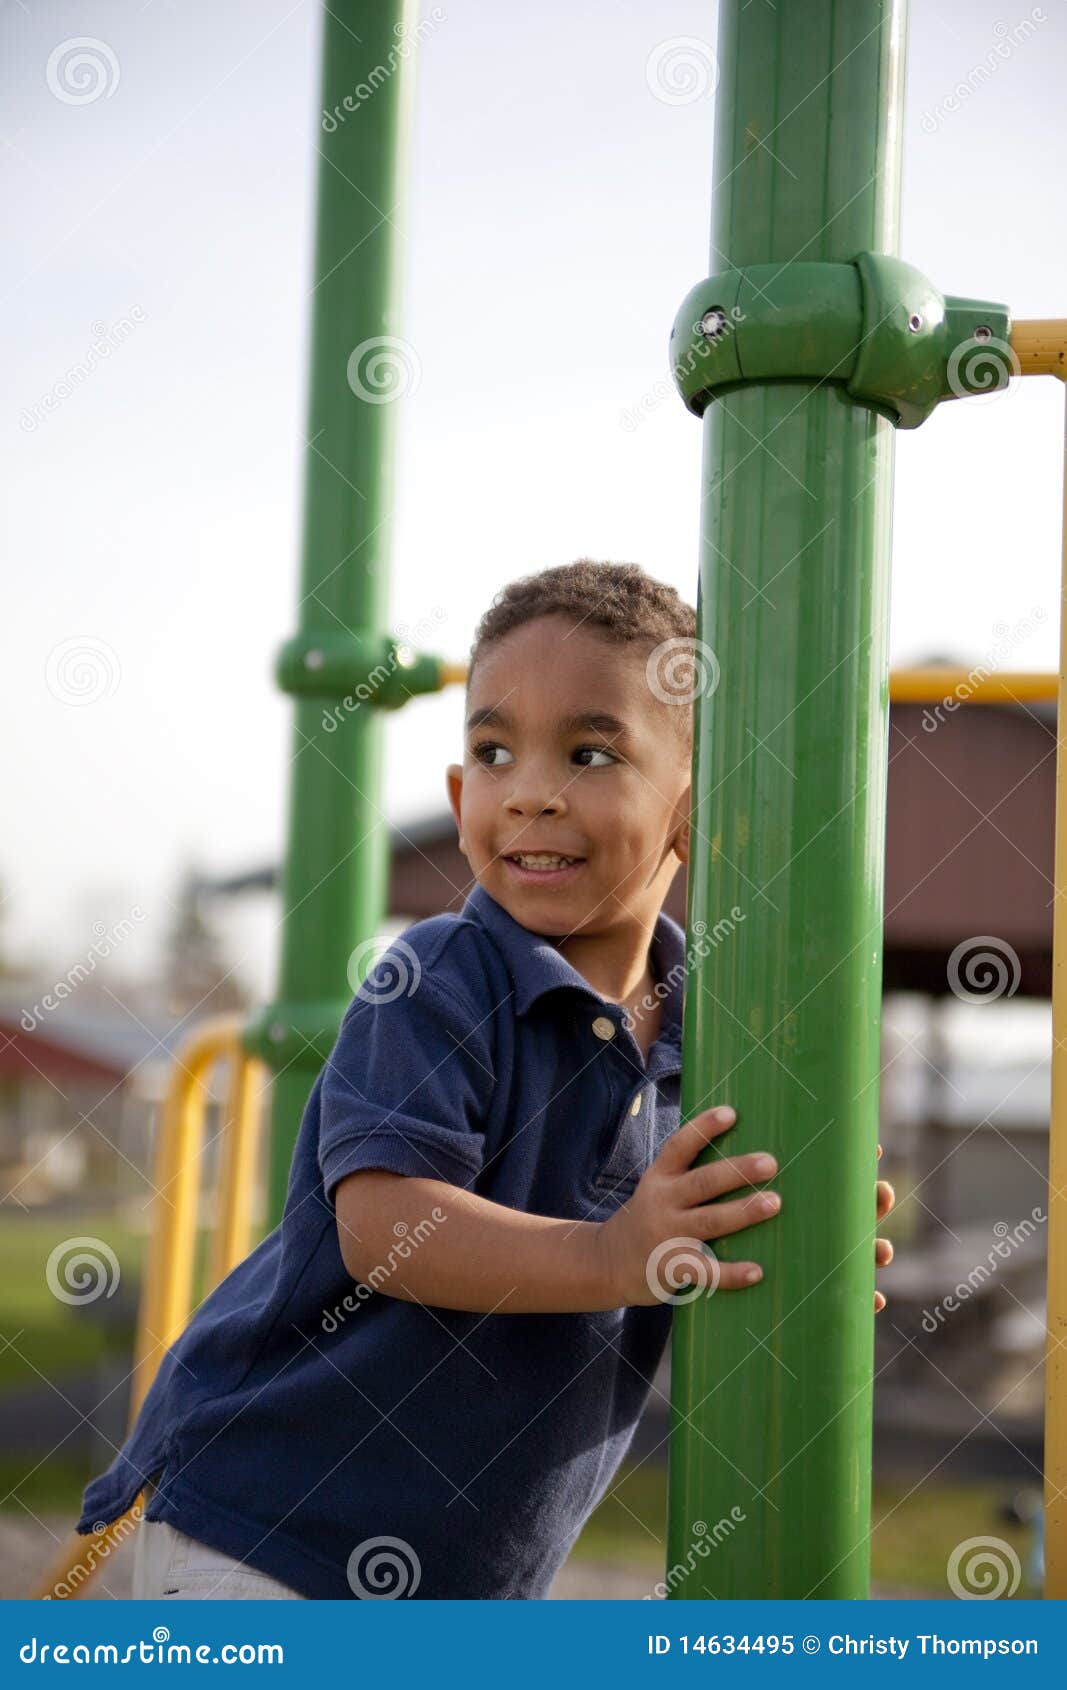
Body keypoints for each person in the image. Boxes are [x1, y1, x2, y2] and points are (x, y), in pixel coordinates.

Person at [76, 559, 895, 1600]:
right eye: (493, 752)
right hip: (268, 1531)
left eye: (590, 752)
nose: (532, 792)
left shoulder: (720, 1034)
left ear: (697, 808)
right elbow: (385, 1226)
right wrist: (617, 1251)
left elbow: (682, 1250)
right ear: (462, 797)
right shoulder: (434, 980)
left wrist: (790, 1248)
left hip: (461, 1583)